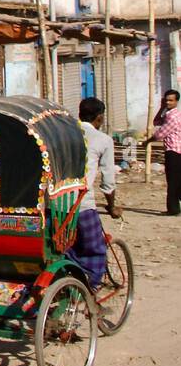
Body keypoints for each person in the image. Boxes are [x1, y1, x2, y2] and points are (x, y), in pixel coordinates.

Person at [65, 97, 117, 286]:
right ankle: (91, 292)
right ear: (100, 117)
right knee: (95, 250)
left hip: (56, 205)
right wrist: (112, 207)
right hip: (83, 204)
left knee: (65, 250)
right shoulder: (103, 140)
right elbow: (108, 182)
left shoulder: (63, 134)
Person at [152, 88, 181, 216]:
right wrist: (161, 107)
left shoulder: (173, 118)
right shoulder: (169, 114)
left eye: (171, 100)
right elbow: (156, 121)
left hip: (174, 152)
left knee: (173, 182)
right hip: (174, 151)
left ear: (176, 101)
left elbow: (159, 134)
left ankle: (173, 209)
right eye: (166, 100)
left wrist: (147, 141)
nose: (168, 102)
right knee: (177, 181)